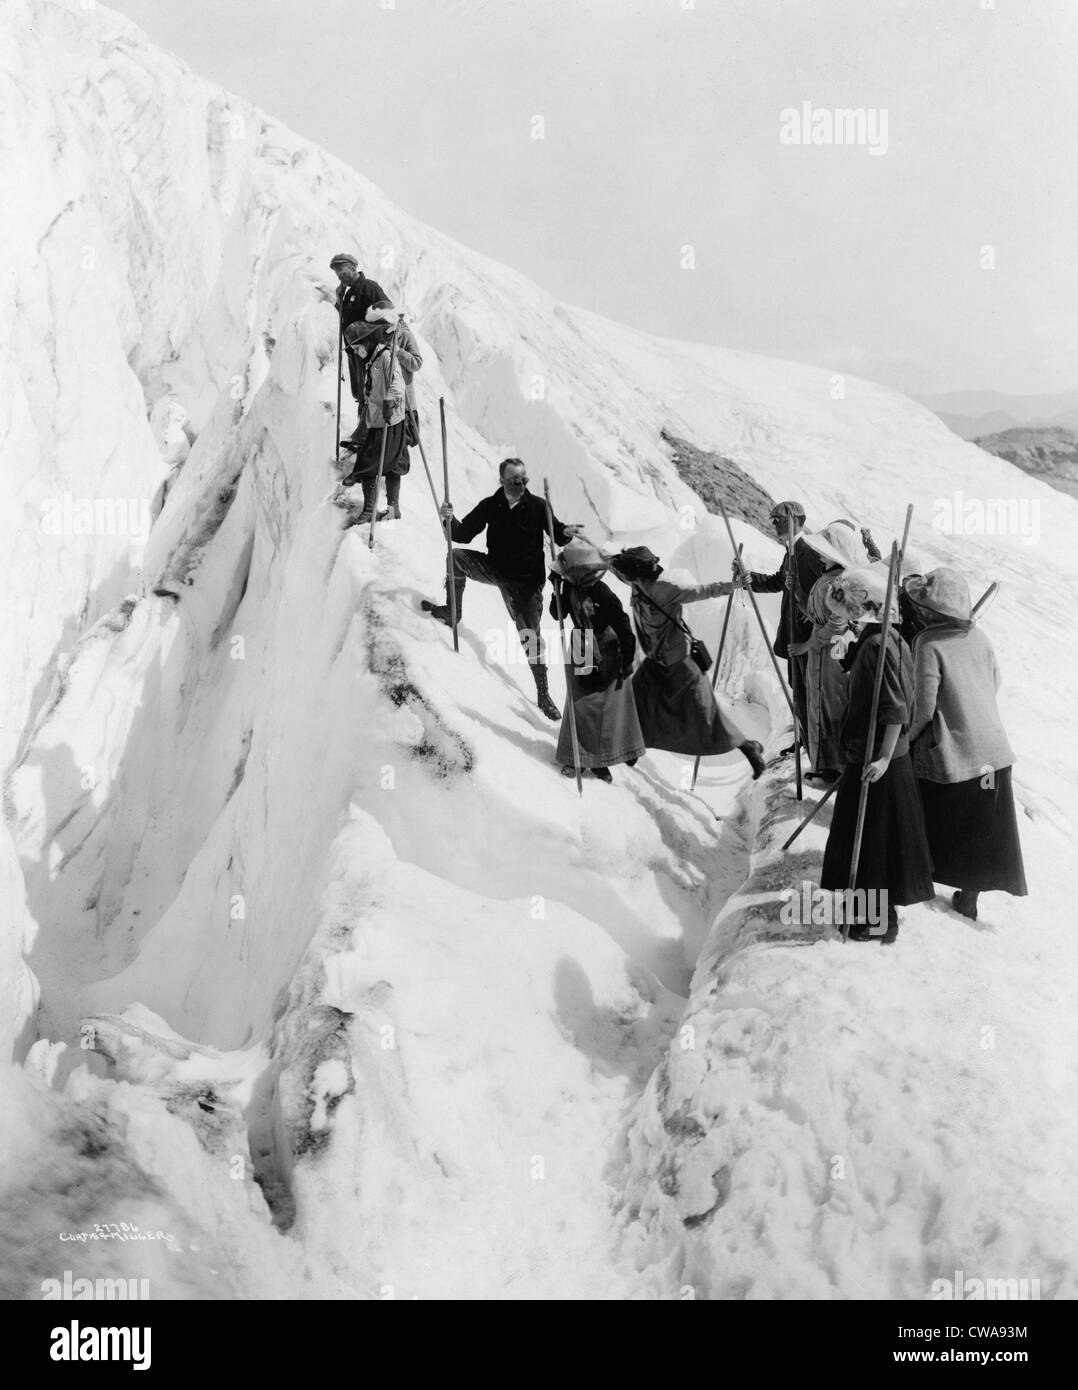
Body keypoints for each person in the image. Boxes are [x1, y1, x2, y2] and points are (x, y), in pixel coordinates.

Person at [819, 565, 935, 944]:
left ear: (860, 607)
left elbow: (895, 708)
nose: (841, 613)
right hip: (876, 757)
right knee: (872, 837)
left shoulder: (877, 646)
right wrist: (844, 656)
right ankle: (872, 914)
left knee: (872, 841)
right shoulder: (882, 638)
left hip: (877, 759)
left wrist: (883, 758)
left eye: (846, 607)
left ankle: (877, 921)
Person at [906, 568, 1027, 921]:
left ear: (928, 610)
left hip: (957, 750)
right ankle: (969, 899)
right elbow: (995, 681)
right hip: (993, 750)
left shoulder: (928, 643)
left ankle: (918, 881)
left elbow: (924, 709)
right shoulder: (980, 636)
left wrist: (906, 740)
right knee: (979, 826)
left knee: (928, 811)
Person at [423, 460, 584, 719]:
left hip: (526, 584)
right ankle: (453, 612)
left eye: (523, 480)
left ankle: (543, 694)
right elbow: (462, 534)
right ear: (502, 482)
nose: (520, 485)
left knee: (530, 637)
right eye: (514, 481)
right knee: (456, 556)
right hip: (495, 568)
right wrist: (448, 520)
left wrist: (566, 531)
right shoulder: (491, 505)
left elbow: (558, 535)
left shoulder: (538, 507)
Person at [607, 547, 765, 778]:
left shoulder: (664, 590)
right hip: (654, 662)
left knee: (706, 713)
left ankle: (748, 748)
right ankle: (631, 749)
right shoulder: (636, 583)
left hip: (679, 663)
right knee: (635, 699)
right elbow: (615, 567)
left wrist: (735, 585)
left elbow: (703, 590)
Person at [548, 540, 644, 782]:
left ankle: (600, 762)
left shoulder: (601, 591)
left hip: (607, 647)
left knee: (603, 709)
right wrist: (555, 589)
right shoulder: (569, 587)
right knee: (580, 704)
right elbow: (556, 614)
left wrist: (628, 659)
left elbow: (623, 625)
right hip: (582, 643)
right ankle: (576, 759)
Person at [789, 522, 870, 784]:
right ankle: (826, 762)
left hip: (832, 653)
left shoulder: (838, 582)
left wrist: (807, 645)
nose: (820, 555)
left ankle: (834, 765)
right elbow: (817, 615)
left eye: (825, 551)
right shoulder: (831, 580)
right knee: (822, 702)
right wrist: (797, 592)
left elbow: (836, 624)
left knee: (830, 703)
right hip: (825, 651)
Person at [740, 501, 815, 747]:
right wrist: (748, 578)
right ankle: (804, 740)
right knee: (799, 688)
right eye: (773, 519)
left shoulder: (809, 553)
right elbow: (779, 582)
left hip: (806, 639)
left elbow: (814, 598)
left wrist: (810, 633)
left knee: (807, 691)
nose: (774, 524)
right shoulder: (792, 551)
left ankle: (812, 743)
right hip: (796, 637)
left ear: (797, 521)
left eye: (779, 519)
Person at [339, 319, 408, 521]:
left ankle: (380, 510)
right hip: (377, 419)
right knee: (379, 462)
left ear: (367, 343)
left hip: (390, 421)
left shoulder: (386, 357)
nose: (357, 352)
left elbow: (398, 386)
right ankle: (386, 509)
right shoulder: (373, 359)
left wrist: (389, 404)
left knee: (376, 462)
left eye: (357, 347)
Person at [330, 253, 394, 409]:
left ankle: (368, 430)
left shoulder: (369, 288)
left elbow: (390, 319)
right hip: (353, 352)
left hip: (370, 353)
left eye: (343, 273)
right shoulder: (345, 293)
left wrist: (372, 340)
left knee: (370, 392)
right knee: (360, 393)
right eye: (338, 275)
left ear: (353, 268)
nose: (340, 278)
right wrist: (339, 301)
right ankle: (364, 424)